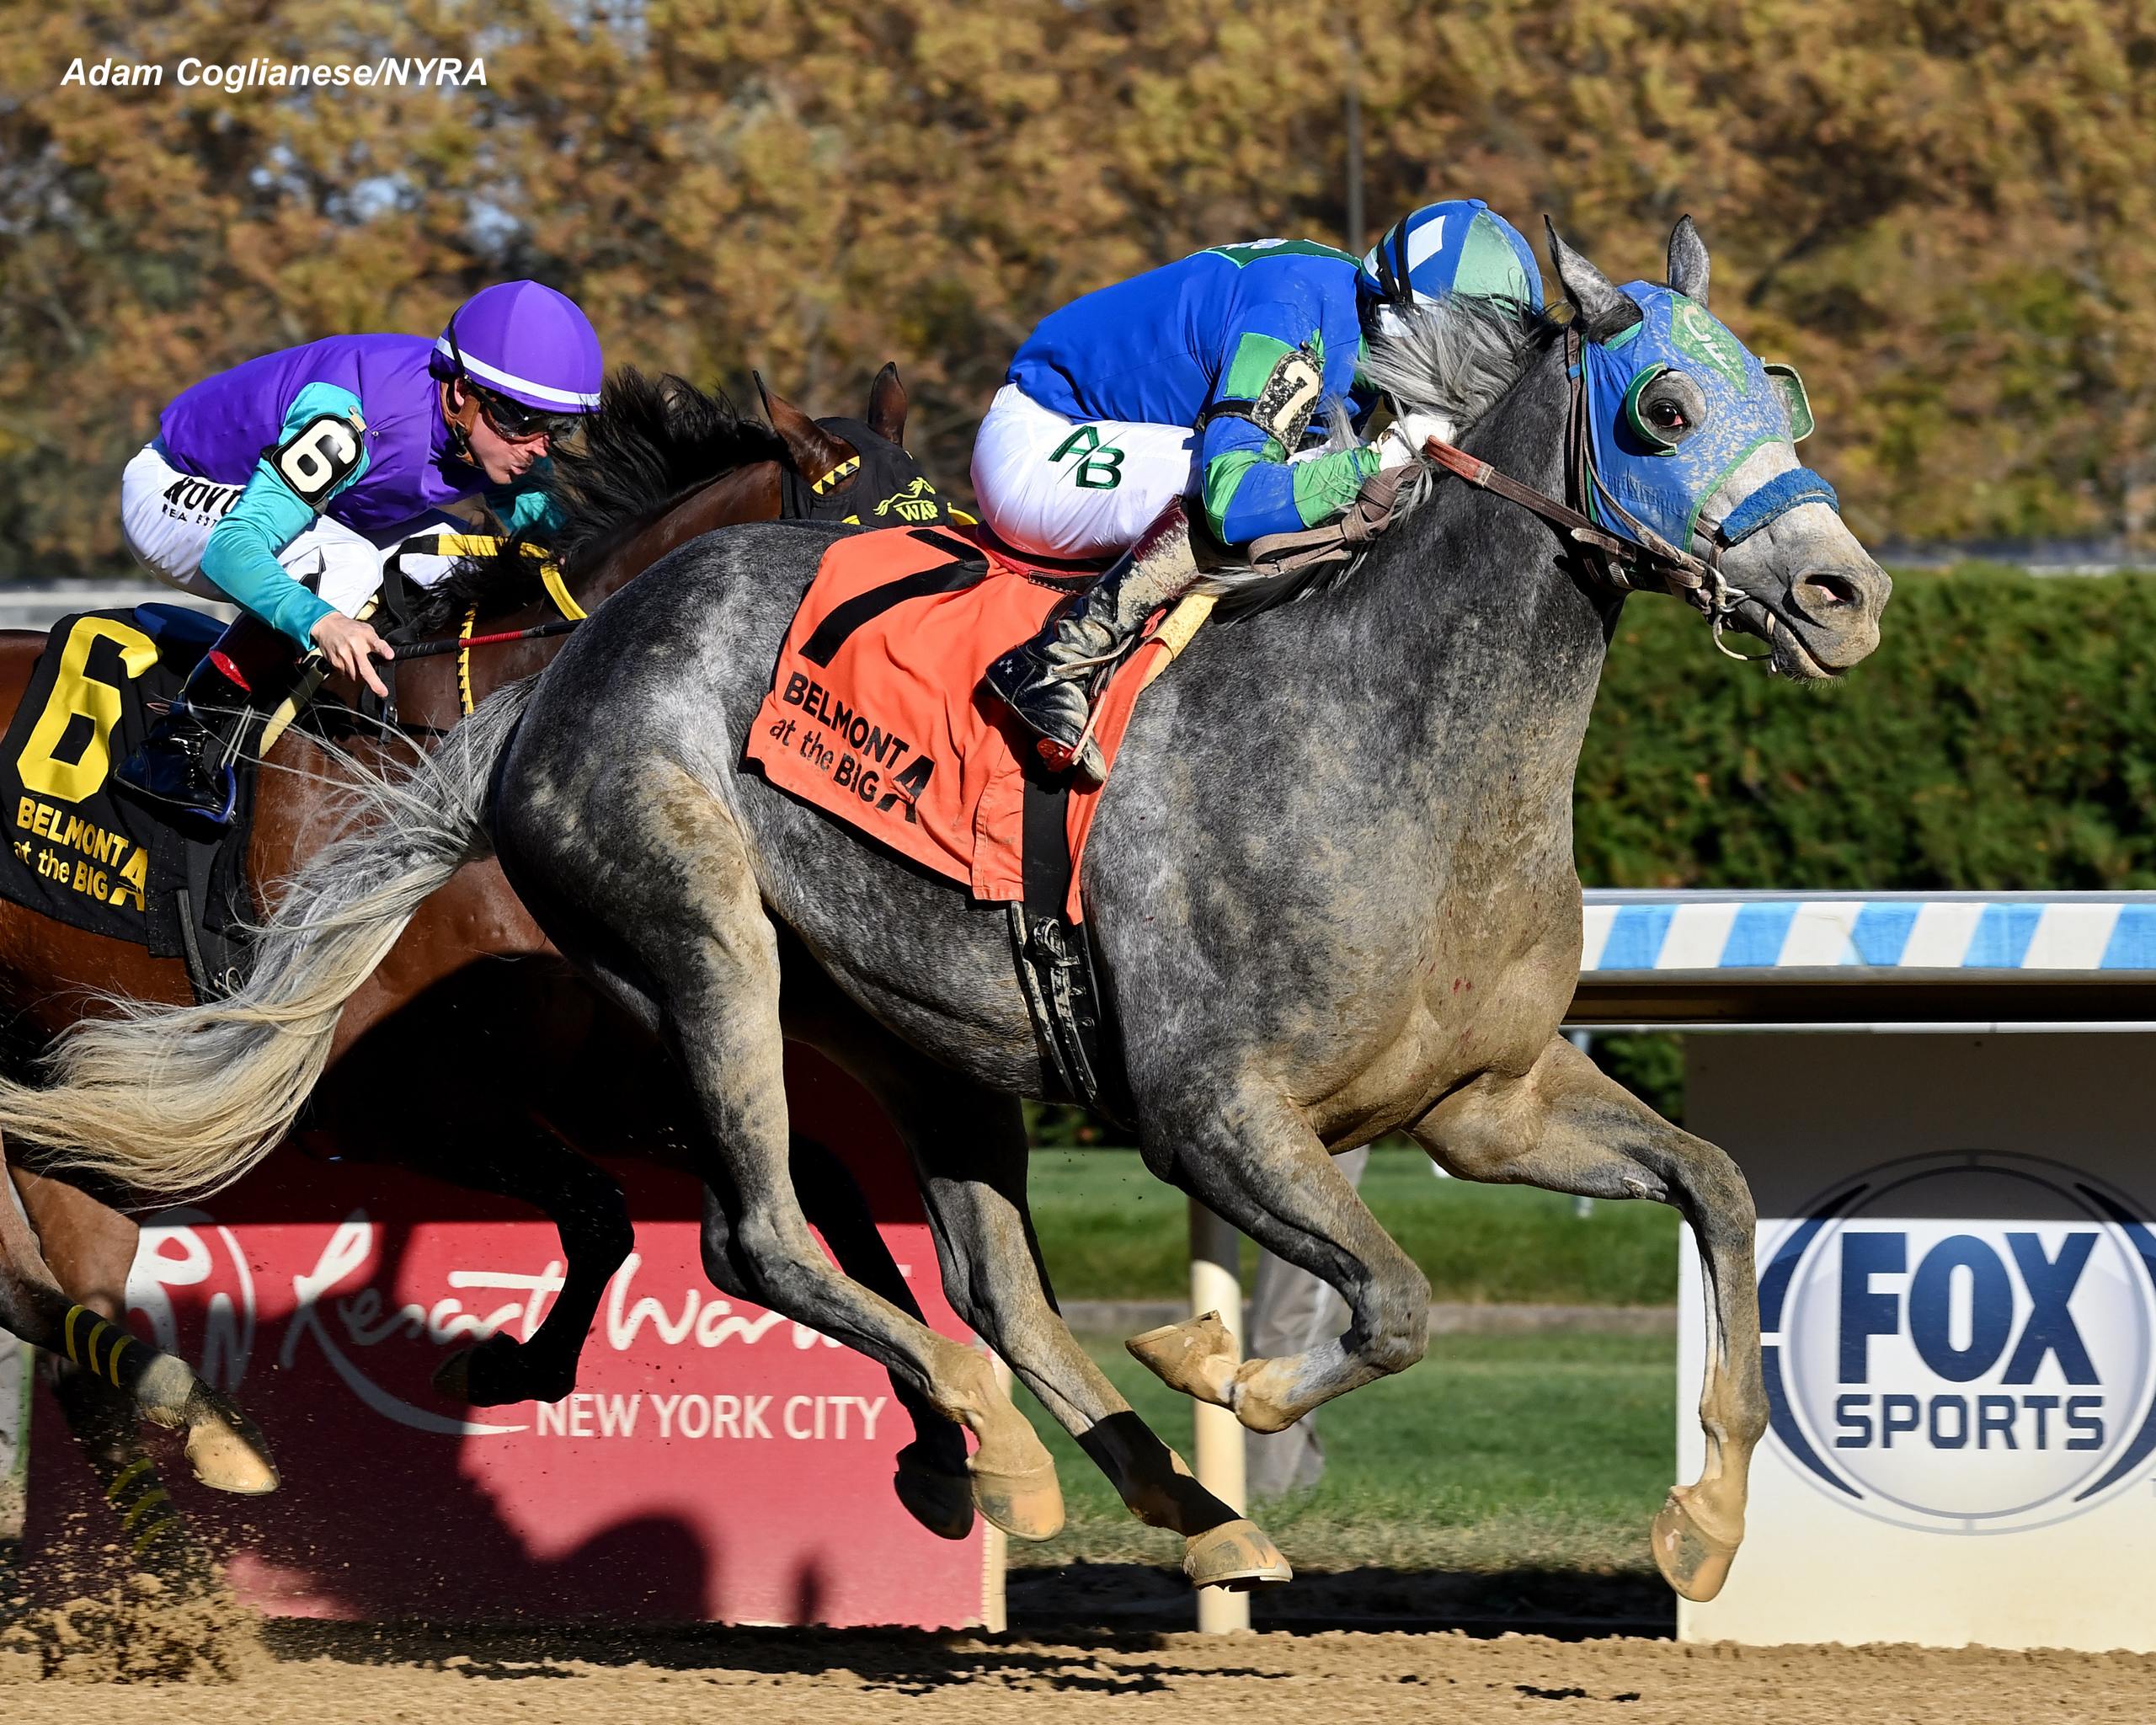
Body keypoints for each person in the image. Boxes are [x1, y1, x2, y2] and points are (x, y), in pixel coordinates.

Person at [974, 199, 1540, 780]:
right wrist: (1378, 458)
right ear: (1405, 316)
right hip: (1042, 440)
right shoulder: (1296, 318)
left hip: (1118, 430)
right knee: (1273, 486)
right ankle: (1056, 662)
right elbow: (1234, 496)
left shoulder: (1349, 315)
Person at [114, 280, 604, 821]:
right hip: (177, 488)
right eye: (521, 420)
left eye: (558, 426)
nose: (537, 447)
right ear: (462, 392)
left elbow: (558, 553)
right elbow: (234, 550)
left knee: (472, 557)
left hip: (318, 506)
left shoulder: (500, 436)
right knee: (349, 563)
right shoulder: (348, 423)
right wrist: (322, 623)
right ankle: (182, 735)